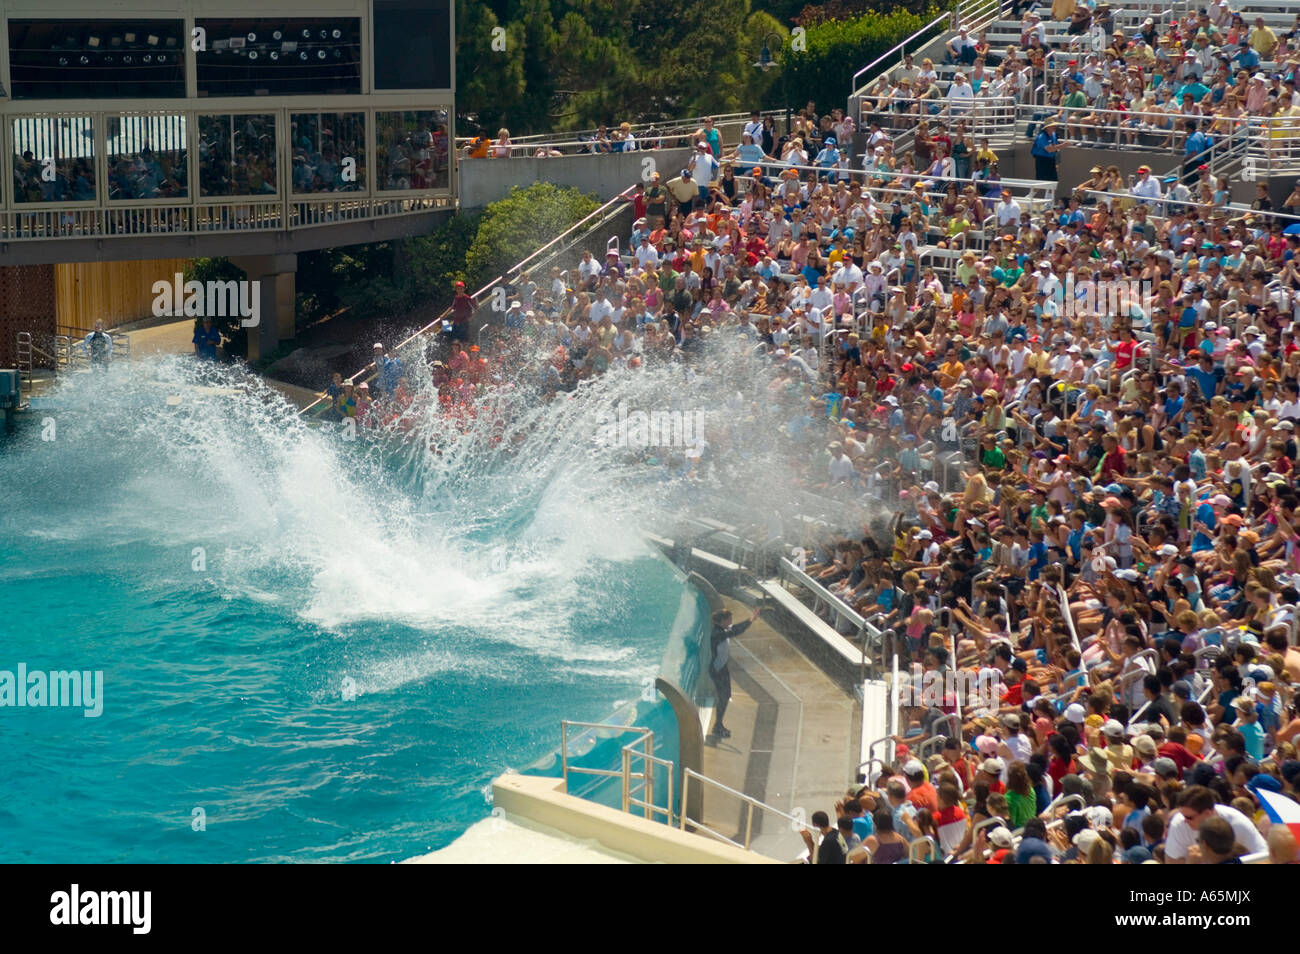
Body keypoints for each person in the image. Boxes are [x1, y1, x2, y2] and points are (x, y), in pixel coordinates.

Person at [707, 605, 761, 742]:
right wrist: (750, 620)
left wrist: (750, 619)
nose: (731, 621)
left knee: (725, 696)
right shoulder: (718, 633)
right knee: (723, 697)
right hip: (717, 670)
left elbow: (735, 628)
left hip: (722, 668)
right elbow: (736, 631)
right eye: (729, 619)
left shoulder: (722, 629)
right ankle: (717, 726)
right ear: (722, 621)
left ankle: (719, 724)